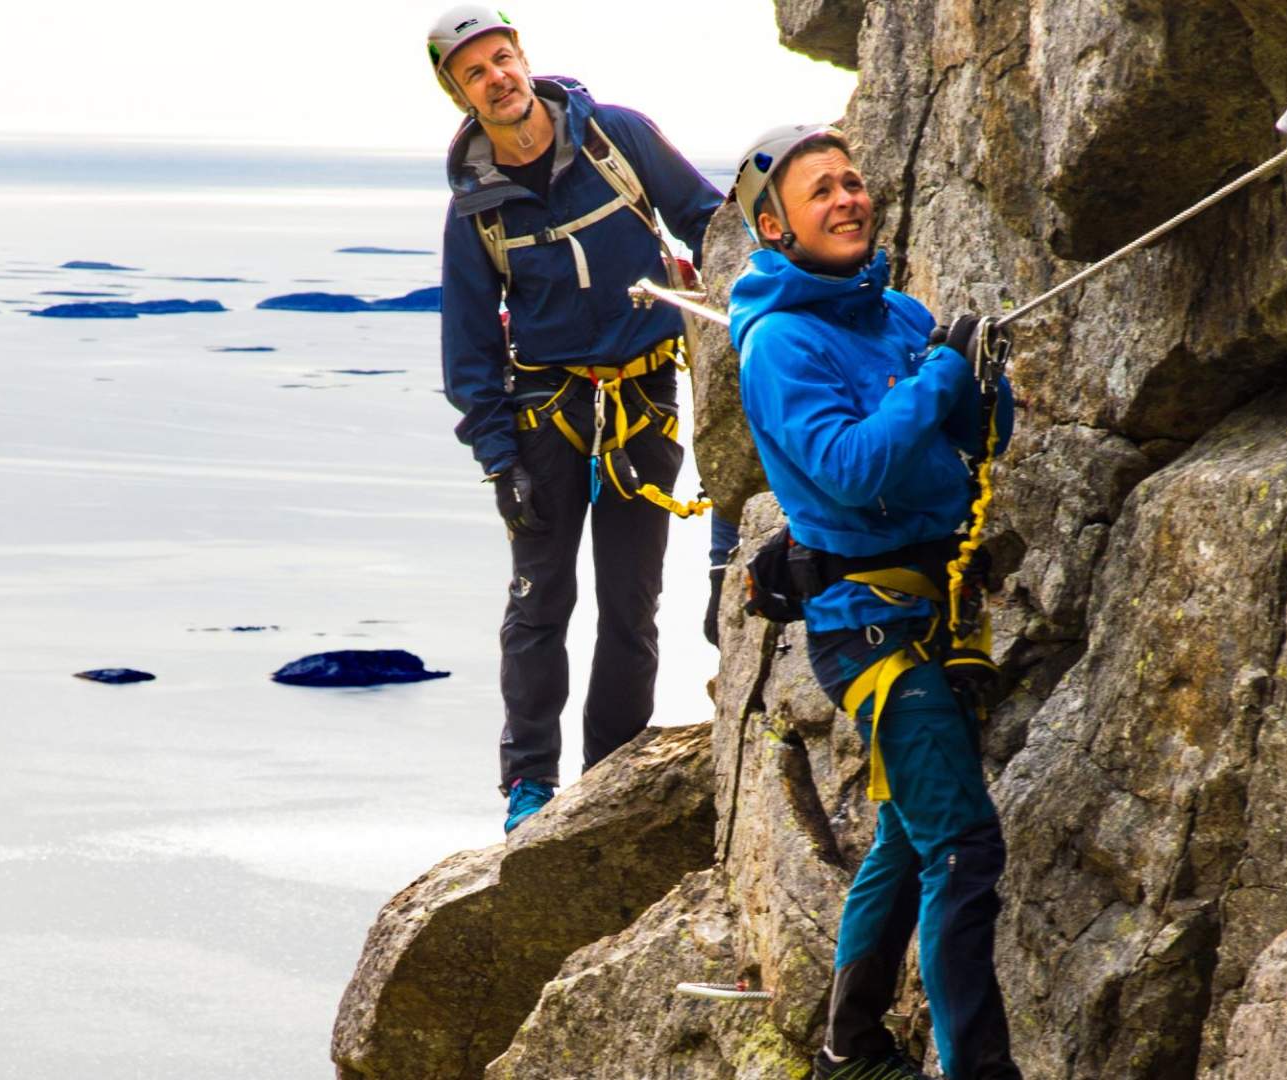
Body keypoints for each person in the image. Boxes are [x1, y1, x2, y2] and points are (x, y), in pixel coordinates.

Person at [726, 123, 1023, 1080]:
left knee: (908, 832)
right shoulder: (778, 345)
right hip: (867, 627)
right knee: (962, 845)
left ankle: (849, 1047)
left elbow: (970, 441)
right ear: (776, 228)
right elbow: (851, 471)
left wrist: (983, 381)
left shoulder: (898, 313)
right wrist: (941, 373)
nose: (849, 198)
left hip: (934, 609)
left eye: (852, 182)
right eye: (823, 192)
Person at [427, 5, 723, 833]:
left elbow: (705, 219)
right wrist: (498, 461)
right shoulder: (475, 208)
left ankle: (611, 773)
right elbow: (470, 348)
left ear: (525, 58)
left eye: (503, 57)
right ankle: (529, 787)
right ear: (461, 93)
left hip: (642, 401)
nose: (498, 76)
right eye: (475, 71)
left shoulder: (616, 140)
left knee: (631, 599)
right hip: (544, 416)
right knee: (539, 598)